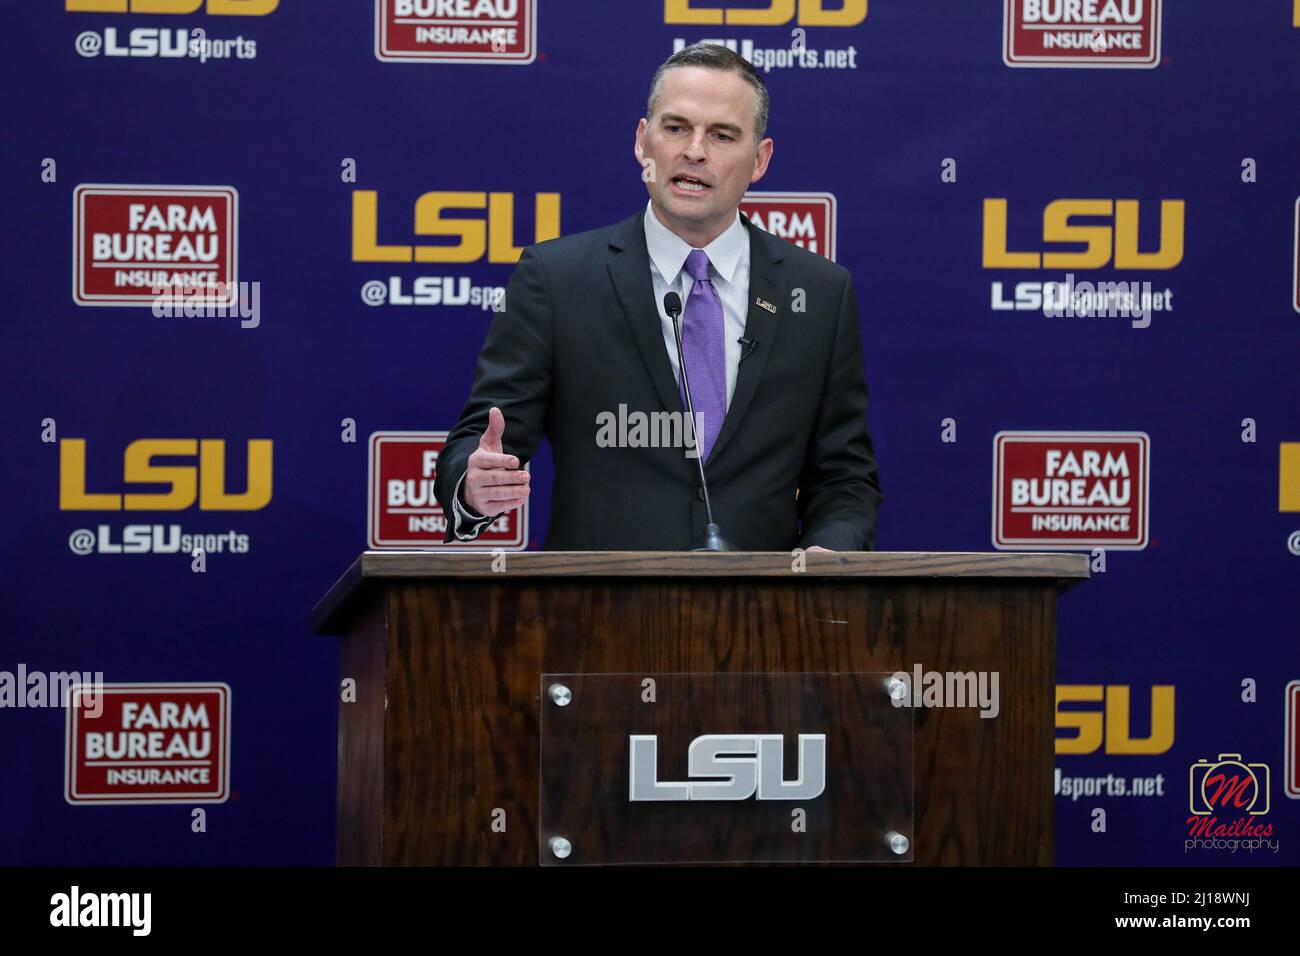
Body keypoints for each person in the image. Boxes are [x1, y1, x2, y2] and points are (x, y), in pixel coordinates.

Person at [433, 42, 882, 551]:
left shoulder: (820, 293)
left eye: (722, 134)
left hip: (762, 619)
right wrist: (472, 485)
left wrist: (831, 552)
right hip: (596, 614)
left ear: (759, 159)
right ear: (642, 142)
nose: (694, 150)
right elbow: (482, 438)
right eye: (676, 128)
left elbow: (845, 477)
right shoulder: (556, 280)